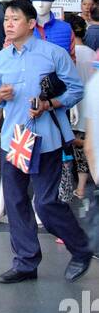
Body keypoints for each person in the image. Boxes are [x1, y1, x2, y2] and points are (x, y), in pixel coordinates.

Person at [0, 0, 91, 284]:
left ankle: (80, 248)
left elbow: (76, 89)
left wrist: (51, 103)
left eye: (14, 18)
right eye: (6, 18)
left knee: (45, 204)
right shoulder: (1, 57)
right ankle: (26, 262)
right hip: (13, 141)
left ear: (31, 24)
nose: (8, 23)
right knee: (16, 203)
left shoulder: (53, 54)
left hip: (46, 141)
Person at [71, 15, 96, 202]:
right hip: (90, 106)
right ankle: (81, 187)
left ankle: (75, 188)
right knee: (87, 145)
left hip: (73, 105)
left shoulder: (67, 54)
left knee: (74, 149)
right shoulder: (91, 53)